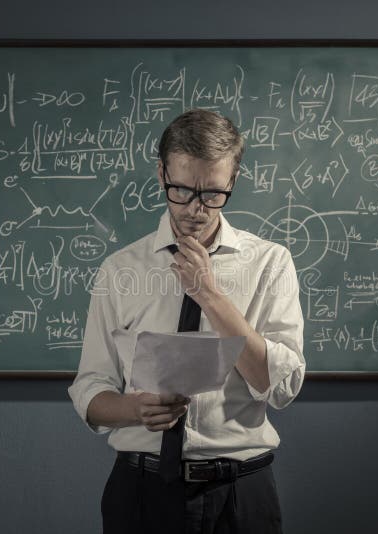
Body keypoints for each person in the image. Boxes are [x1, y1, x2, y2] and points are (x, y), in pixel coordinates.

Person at [68, 108, 305, 534]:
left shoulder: (271, 263)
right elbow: (90, 388)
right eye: (181, 190)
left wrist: (210, 294)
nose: (196, 208)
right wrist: (133, 408)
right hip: (142, 491)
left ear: (231, 182)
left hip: (240, 493)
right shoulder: (119, 269)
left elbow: (282, 388)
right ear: (161, 175)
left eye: (213, 194)